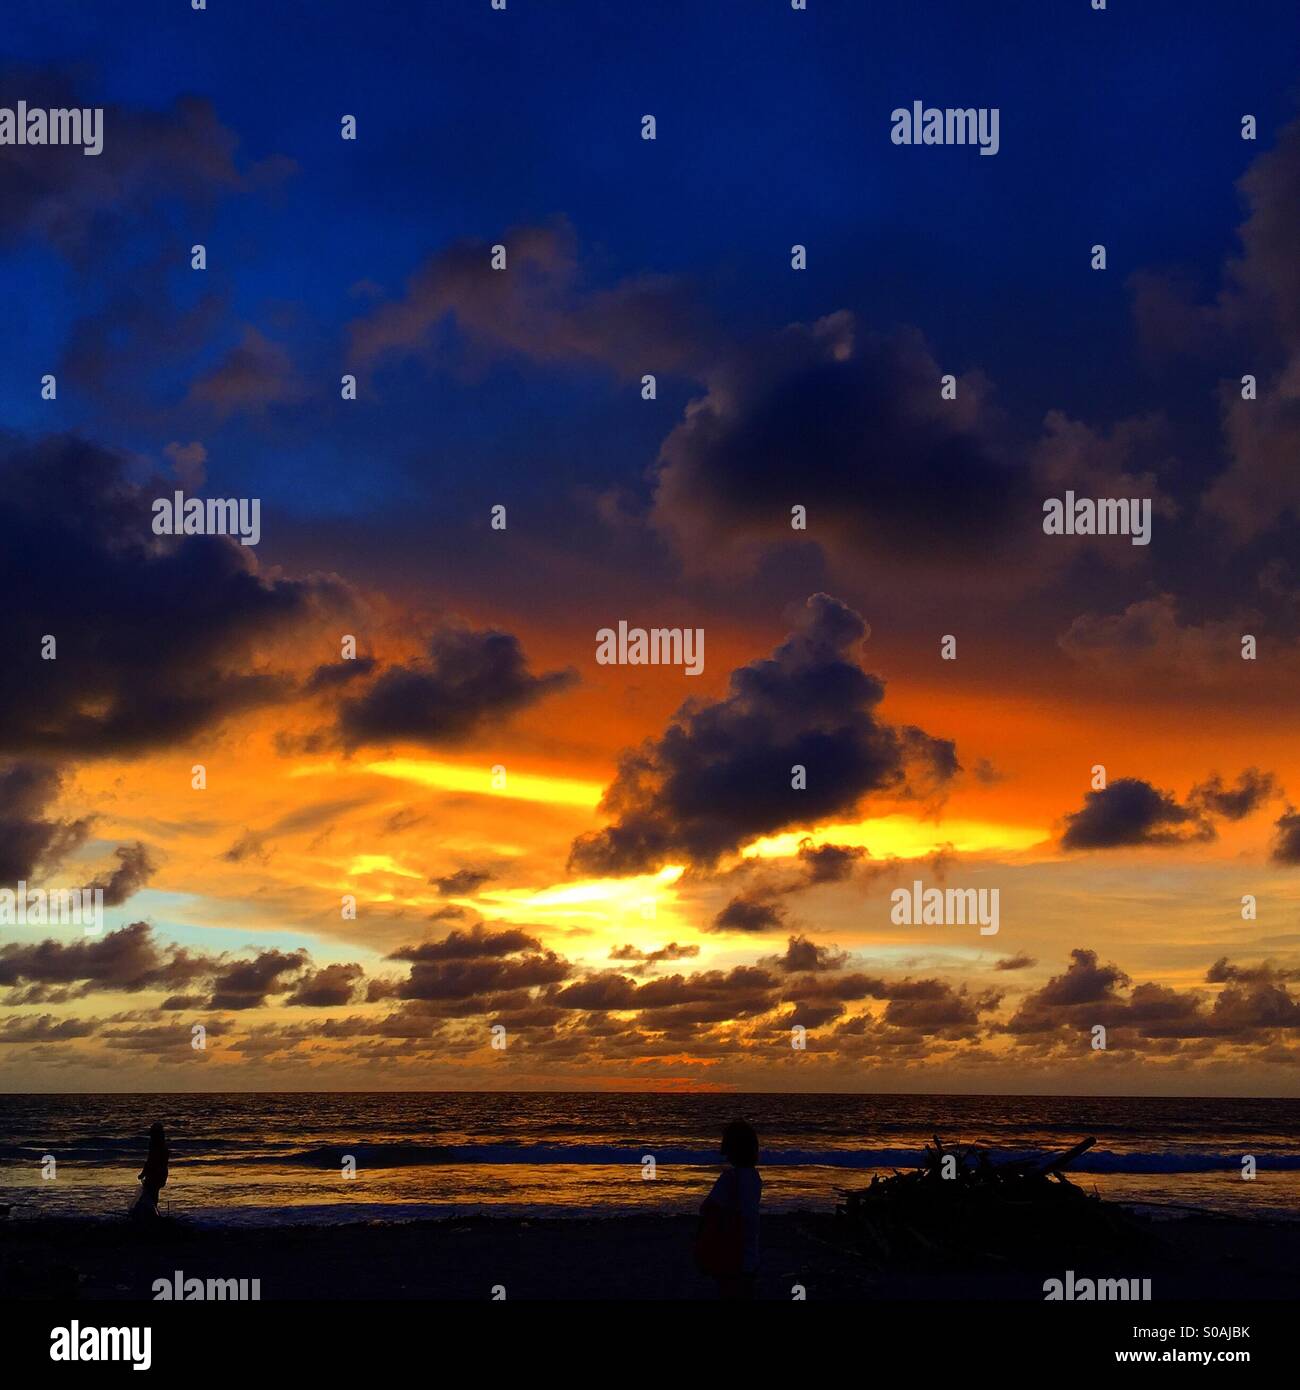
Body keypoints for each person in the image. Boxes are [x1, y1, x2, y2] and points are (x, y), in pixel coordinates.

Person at [696, 1119, 761, 1299]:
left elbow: (707, 1208)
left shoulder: (729, 1178)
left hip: (728, 1252)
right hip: (749, 1254)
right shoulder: (755, 1177)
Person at [130, 1122, 169, 1219]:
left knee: (150, 1195)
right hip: (160, 1174)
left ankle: (148, 1215)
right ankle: (151, 1214)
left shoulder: (156, 1146)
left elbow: (150, 1162)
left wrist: (143, 1174)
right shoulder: (163, 1146)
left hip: (155, 1175)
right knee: (153, 1195)